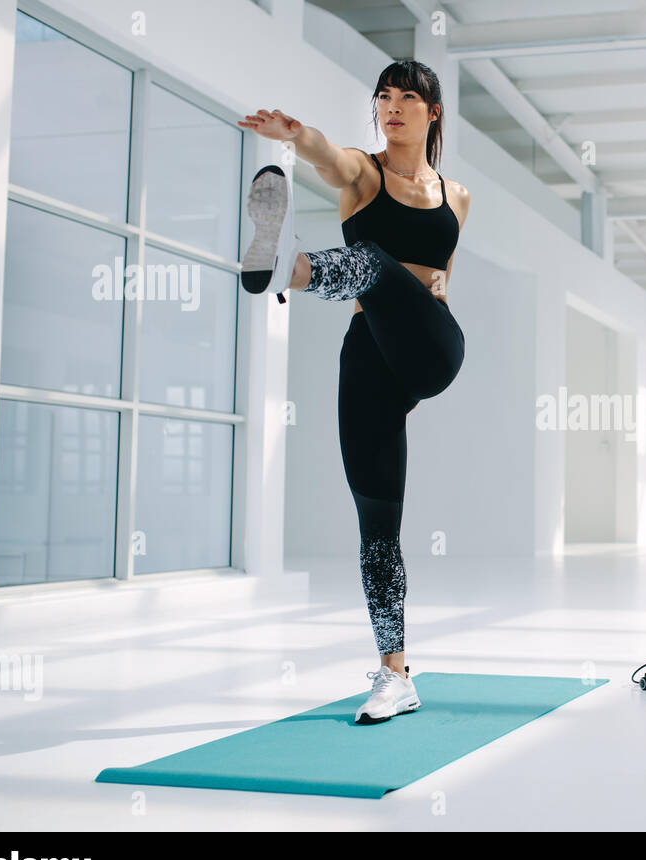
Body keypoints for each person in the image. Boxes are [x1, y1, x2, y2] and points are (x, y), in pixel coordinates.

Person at [237, 60, 470, 725]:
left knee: (371, 263)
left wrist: (416, 353)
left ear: (432, 112)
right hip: (370, 359)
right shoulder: (364, 175)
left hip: (432, 344)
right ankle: (395, 674)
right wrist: (294, 136)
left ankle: (290, 265)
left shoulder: (458, 195)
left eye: (407, 98)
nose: (392, 107)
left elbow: (441, 282)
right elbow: (332, 160)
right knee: (376, 531)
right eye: (383, 98)